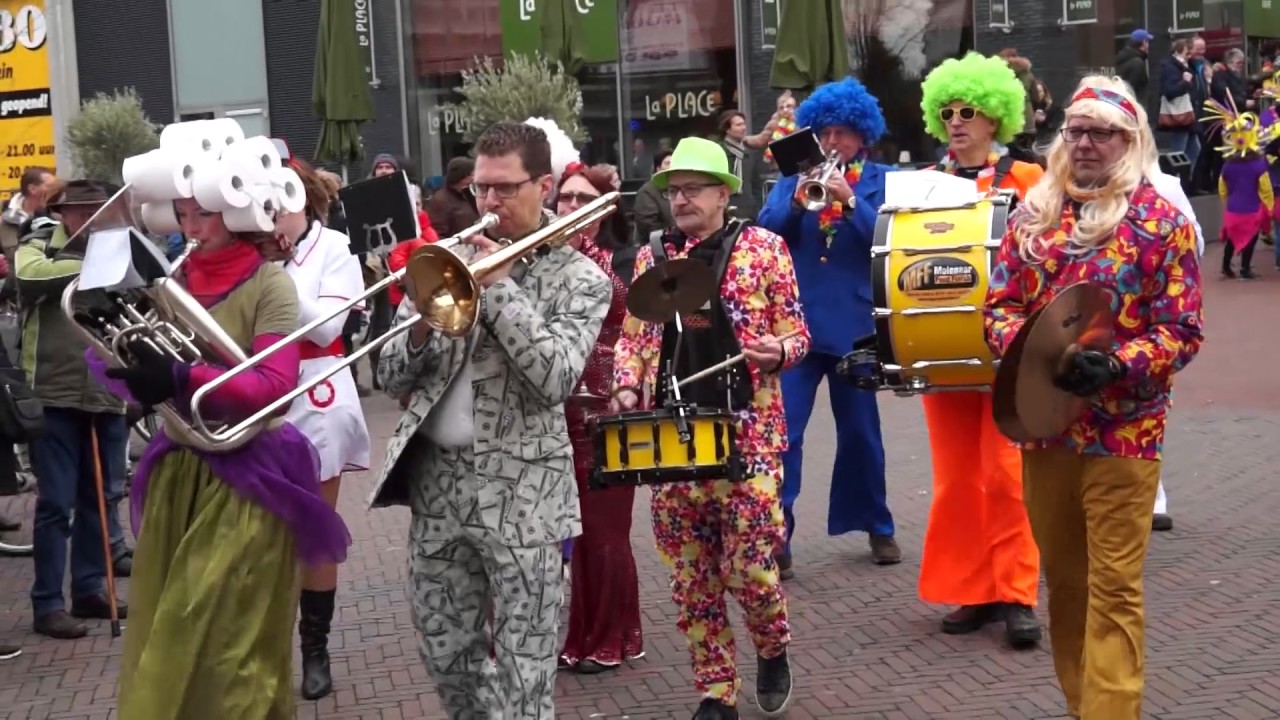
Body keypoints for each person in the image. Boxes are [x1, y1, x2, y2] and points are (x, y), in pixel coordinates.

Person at [89, 128, 351, 719]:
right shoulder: (172, 278)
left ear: (237, 210)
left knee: (228, 642)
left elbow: (275, 390)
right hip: (180, 470)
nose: (189, 223)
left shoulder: (270, 283)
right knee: (168, 632)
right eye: (182, 210)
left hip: (247, 477)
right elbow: (145, 367)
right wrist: (136, 374)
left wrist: (181, 377)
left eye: (202, 210)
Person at [369, 121, 610, 719]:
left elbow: (555, 378)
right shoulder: (445, 260)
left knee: (527, 670)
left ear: (544, 186)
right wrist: (418, 327)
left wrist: (499, 290)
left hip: (525, 491)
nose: (489, 202)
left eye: (505, 188)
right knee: (447, 656)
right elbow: (391, 376)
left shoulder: (581, 279)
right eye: (481, 188)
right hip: (439, 484)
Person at [984, 76, 1203, 719]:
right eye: (1075, 131)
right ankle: (1087, 706)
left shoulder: (1161, 224)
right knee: (1068, 587)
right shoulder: (1031, 219)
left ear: (1129, 141)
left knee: (1114, 589)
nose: (1083, 143)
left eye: (1100, 133)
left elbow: (1183, 330)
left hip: (1125, 433)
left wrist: (1117, 364)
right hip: (1045, 426)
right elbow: (997, 308)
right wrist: (1035, 350)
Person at [612, 136, 811, 719]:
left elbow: (799, 334)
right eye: (674, 190)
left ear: (724, 193)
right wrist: (626, 385)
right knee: (691, 579)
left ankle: (771, 647)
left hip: (749, 437)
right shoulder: (652, 256)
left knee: (751, 570)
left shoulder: (764, 249)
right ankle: (716, 689)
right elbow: (635, 340)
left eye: (694, 189)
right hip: (676, 436)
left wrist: (780, 351)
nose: (681, 200)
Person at [914, 52, 1044, 648]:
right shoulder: (923, 181)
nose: (956, 122)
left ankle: (1017, 593)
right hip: (941, 341)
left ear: (995, 116)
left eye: (967, 111)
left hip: (1008, 346)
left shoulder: (1029, 178)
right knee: (957, 479)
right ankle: (976, 589)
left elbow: (1055, 246)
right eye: (947, 112)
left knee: (1007, 474)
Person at [756, 77, 901, 572]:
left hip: (855, 325)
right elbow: (763, 235)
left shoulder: (883, 181)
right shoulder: (793, 179)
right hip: (796, 326)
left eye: (843, 132)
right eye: (826, 133)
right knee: (785, 434)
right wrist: (797, 202)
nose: (833, 142)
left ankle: (878, 525)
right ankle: (778, 536)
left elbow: (891, 242)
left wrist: (851, 201)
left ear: (863, 135)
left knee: (861, 433)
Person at [270, 158, 373, 701]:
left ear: (304, 201)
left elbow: (328, 325)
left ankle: (315, 649)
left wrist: (275, 273)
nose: (269, 214)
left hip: (317, 392)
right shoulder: (249, 249)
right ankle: (264, 649)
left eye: (278, 203)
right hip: (258, 393)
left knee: (313, 530)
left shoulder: (334, 248)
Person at [15, 180, 130, 639]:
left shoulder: (121, 245)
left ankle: (89, 589)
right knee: (55, 504)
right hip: (53, 391)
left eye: (97, 210)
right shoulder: (38, 243)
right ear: (62, 213)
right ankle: (47, 604)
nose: (90, 218)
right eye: (80, 211)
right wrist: (96, 265)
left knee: (101, 499)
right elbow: (29, 277)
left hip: (107, 391)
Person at [555, 161, 644, 675]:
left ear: (605, 209)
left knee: (604, 529)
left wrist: (630, 387)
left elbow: (638, 326)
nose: (571, 207)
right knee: (570, 528)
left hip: (610, 406)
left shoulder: (626, 259)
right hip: (556, 407)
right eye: (564, 198)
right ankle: (583, 635)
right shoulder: (543, 259)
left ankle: (609, 636)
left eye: (582, 200)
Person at [1146, 149, 1207, 534]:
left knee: (1146, 405)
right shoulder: (1062, 186)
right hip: (1082, 316)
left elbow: (1195, 242)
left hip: (1144, 319)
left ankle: (1153, 497)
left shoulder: (1163, 185)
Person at [1205, 95, 1275, 279]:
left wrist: (1227, 200)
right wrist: (1268, 206)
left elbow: (1222, 187)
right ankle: (1245, 268)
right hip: (1252, 209)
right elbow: (1266, 188)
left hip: (1233, 209)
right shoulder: (1258, 165)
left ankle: (1226, 265)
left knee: (1231, 238)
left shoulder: (1228, 165)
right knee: (1251, 238)